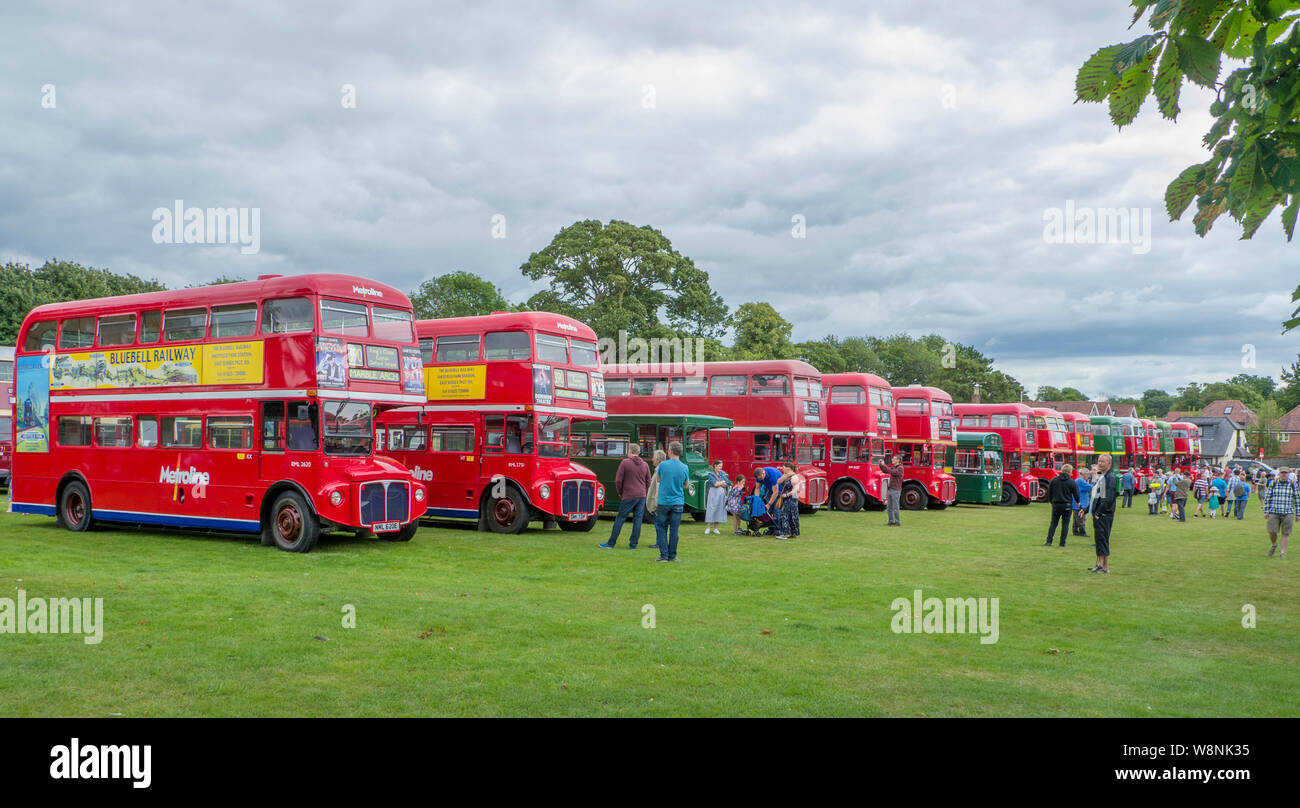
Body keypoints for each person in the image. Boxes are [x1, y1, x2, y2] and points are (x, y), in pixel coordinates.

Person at [600, 442, 652, 549]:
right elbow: (648, 482)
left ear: (630, 451)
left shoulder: (625, 463)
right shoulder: (645, 465)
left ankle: (611, 543)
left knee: (620, 518)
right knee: (637, 520)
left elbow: (618, 480)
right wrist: (644, 492)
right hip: (641, 495)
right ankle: (633, 545)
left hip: (628, 495)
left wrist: (620, 492)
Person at [654, 442, 690, 562]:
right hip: (678, 501)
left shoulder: (663, 465)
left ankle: (663, 555)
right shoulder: (685, 467)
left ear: (670, 451)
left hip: (664, 501)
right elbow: (686, 485)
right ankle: (672, 555)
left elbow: (658, 479)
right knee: (674, 530)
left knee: (661, 528)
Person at [1090, 454, 1118, 573]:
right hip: (1099, 512)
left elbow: (1108, 498)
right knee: (1100, 539)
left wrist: (1099, 512)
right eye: (1099, 461)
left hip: (1104, 514)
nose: (1100, 463)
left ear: (1109, 464)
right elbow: (1097, 496)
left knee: (1103, 538)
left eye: (1103, 462)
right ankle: (1100, 564)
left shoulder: (1110, 477)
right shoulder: (1103, 476)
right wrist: (1087, 509)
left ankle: (1104, 566)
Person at [1263, 468, 1297, 559]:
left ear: (1288, 474)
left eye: (1286, 473)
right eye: (1282, 473)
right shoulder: (1273, 483)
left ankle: (1282, 553)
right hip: (1274, 511)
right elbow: (1267, 498)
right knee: (1272, 531)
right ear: (1279, 474)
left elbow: (1297, 499)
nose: (1284, 474)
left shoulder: (1293, 484)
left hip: (1288, 512)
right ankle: (1274, 544)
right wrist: (1266, 511)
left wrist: (1298, 514)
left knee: (1285, 533)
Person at [1045, 463, 1078, 547]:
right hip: (1067, 504)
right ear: (1070, 472)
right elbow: (1076, 493)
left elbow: (1050, 492)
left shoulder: (1054, 480)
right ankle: (1062, 542)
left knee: (1053, 523)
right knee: (1065, 524)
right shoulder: (1071, 482)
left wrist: (1051, 502)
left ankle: (1049, 541)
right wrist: (1078, 501)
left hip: (1056, 504)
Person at [769, 461, 803, 540]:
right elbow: (778, 481)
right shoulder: (786, 476)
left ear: (788, 468)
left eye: (783, 467)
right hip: (787, 499)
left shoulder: (794, 477)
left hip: (791, 499)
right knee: (791, 516)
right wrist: (785, 476)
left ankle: (784, 534)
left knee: (785, 515)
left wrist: (787, 494)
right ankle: (793, 533)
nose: (782, 469)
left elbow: (796, 489)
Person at [703, 460, 729, 535]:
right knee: (711, 508)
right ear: (715, 466)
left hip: (721, 494)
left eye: (721, 466)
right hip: (713, 493)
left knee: (719, 509)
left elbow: (727, 483)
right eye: (719, 466)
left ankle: (716, 528)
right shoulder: (711, 474)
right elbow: (714, 483)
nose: (721, 467)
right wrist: (721, 482)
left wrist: (720, 483)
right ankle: (708, 528)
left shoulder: (723, 473)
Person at [877, 454, 904, 526]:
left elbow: (891, 471)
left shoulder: (900, 468)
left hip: (896, 490)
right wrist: (881, 465)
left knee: (895, 507)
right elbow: (886, 470)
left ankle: (897, 522)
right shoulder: (895, 467)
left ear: (898, 460)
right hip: (891, 489)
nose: (892, 460)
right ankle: (891, 522)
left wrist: (884, 465)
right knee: (889, 507)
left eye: (894, 459)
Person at [644, 450, 667, 519]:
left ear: (658, 460)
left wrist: (656, 504)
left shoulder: (659, 471)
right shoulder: (661, 470)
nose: (652, 459)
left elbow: (658, 488)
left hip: (658, 504)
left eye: (654, 458)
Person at [1073, 468, 1092, 538]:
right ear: (1084, 474)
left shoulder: (1078, 480)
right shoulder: (1081, 481)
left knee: (1076, 518)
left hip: (1077, 503)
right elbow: (1090, 488)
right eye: (1087, 474)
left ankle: (1075, 531)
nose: (1088, 476)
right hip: (1081, 503)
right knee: (1081, 518)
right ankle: (1082, 532)